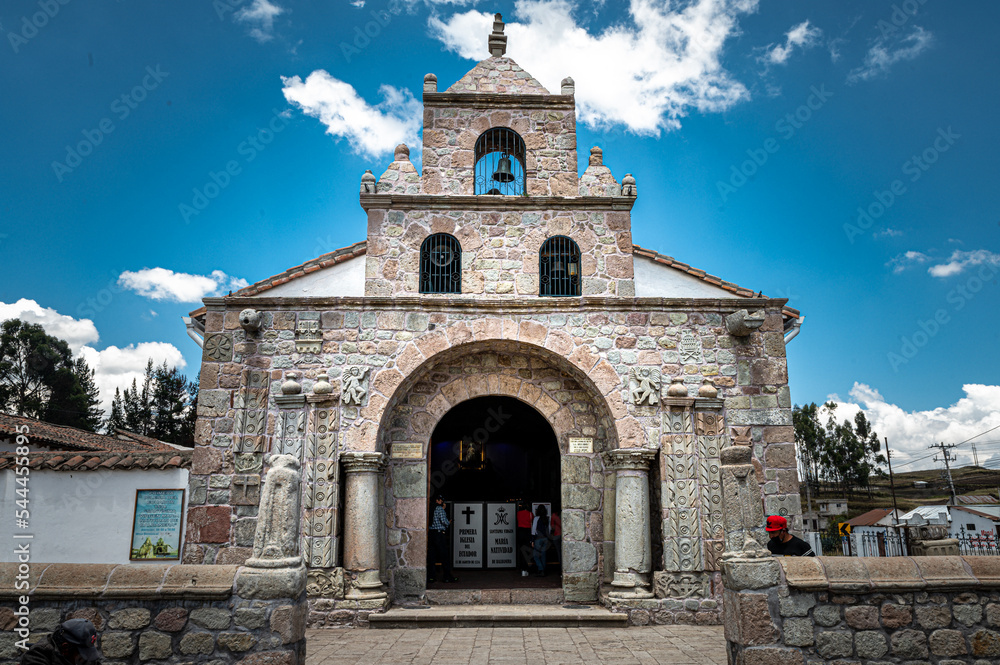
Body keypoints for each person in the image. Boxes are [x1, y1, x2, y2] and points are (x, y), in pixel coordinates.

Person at [21, 618, 102, 665]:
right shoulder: (37, 656)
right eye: (82, 654)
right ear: (65, 648)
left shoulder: (83, 655)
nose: (85, 658)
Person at [428, 494, 458, 583]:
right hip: (439, 534)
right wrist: (449, 521)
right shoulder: (439, 508)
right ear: (437, 500)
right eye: (440, 500)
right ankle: (447, 576)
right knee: (444, 555)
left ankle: (431, 577)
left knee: (432, 556)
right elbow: (444, 522)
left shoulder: (430, 508)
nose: (442, 502)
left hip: (431, 533)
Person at [531, 504, 550, 576]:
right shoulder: (547, 518)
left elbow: (533, 530)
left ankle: (540, 569)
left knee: (535, 555)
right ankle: (543, 571)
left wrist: (532, 540)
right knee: (543, 555)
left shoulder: (536, 518)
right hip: (545, 538)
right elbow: (549, 529)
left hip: (538, 538)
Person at [516, 502, 533, 577]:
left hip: (520, 532)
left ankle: (521, 568)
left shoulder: (518, 513)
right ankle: (525, 569)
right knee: (526, 552)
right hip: (527, 533)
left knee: (521, 551)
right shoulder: (530, 514)